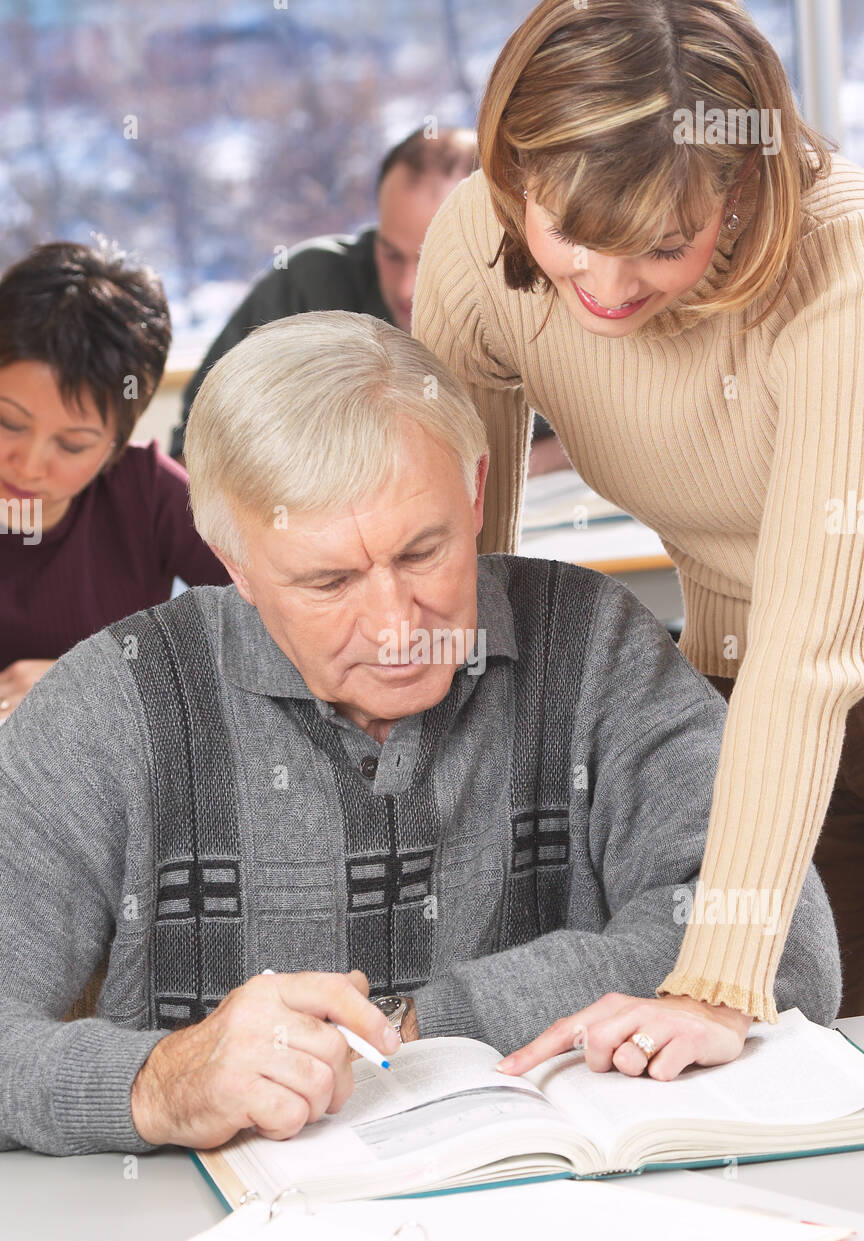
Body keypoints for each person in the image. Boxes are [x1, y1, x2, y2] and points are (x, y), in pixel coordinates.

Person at [0, 311, 838, 1157]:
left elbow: (777, 930)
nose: (398, 628)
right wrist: (160, 1082)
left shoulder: (592, 641)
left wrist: (425, 1027)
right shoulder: (111, 703)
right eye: (328, 581)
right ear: (233, 561)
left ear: (475, 491)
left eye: (423, 552)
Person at [411, 0, 864, 1034]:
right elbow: (454, 560)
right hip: (739, 680)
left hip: (813, 667)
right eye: (570, 233)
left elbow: (812, 650)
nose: (607, 288)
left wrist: (717, 985)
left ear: (741, 184)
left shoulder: (843, 267)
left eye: (663, 245)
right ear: (520, 175)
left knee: (788, 1037)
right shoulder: (477, 244)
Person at [0, 240, 230, 720]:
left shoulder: (149, 496)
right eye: (8, 422)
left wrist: (95, 685)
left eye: (73, 445)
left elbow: (282, 633)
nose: (29, 464)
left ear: (114, 444)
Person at [168, 126, 479, 461]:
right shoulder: (306, 287)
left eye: (429, 260)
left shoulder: (526, 301)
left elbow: (543, 433)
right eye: (391, 254)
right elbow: (195, 442)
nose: (406, 288)